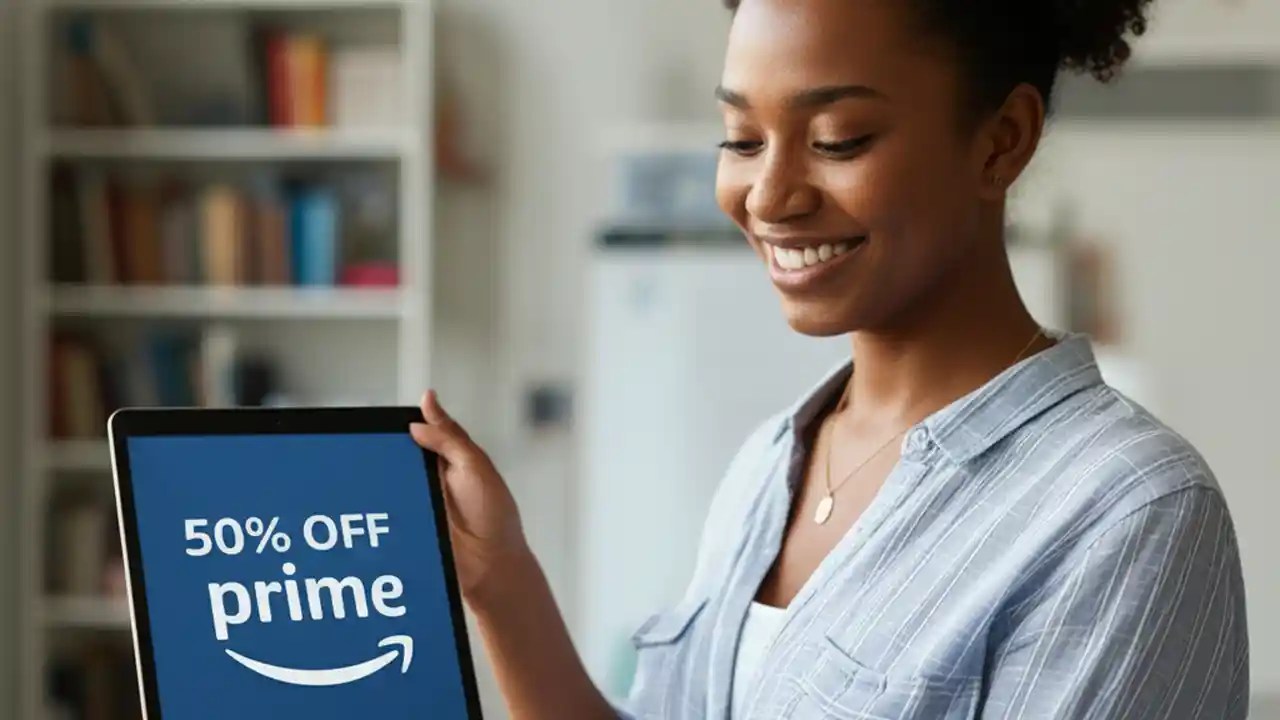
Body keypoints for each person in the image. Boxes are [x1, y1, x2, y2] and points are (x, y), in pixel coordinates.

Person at [409, 0, 1250, 716]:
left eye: (839, 140)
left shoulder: (1128, 510)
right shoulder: (770, 463)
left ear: (1002, 141)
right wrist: (503, 581)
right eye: (741, 139)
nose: (770, 196)